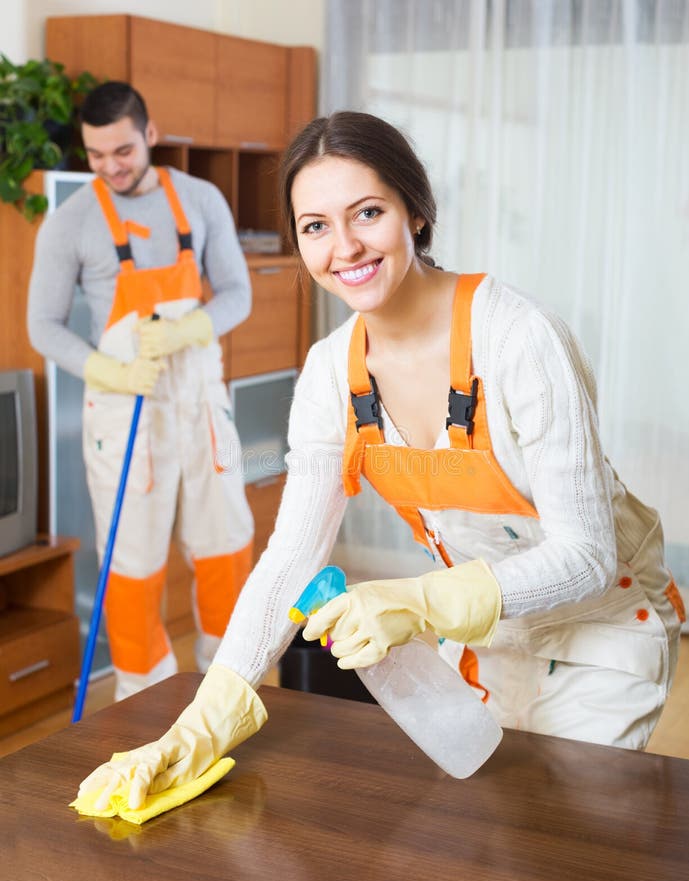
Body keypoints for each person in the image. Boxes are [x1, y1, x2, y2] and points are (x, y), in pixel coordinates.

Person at [76, 110, 685, 812]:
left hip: (604, 631)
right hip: (484, 638)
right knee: (493, 834)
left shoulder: (518, 339)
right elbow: (288, 562)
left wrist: (415, 600)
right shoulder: (331, 372)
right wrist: (201, 725)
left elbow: (584, 554)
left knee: (569, 837)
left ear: (415, 212)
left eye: (366, 213)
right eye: (314, 226)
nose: (344, 247)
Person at [28, 82, 254, 701]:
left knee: (226, 547)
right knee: (131, 566)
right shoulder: (70, 222)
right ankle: (145, 708)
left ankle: (226, 692)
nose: (110, 167)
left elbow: (239, 292)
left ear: (150, 135)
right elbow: (40, 326)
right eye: (96, 155)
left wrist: (191, 327)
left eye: (122, 151)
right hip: (126, 408)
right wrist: (111, 372)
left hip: (204, 406)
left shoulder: (201, 199)